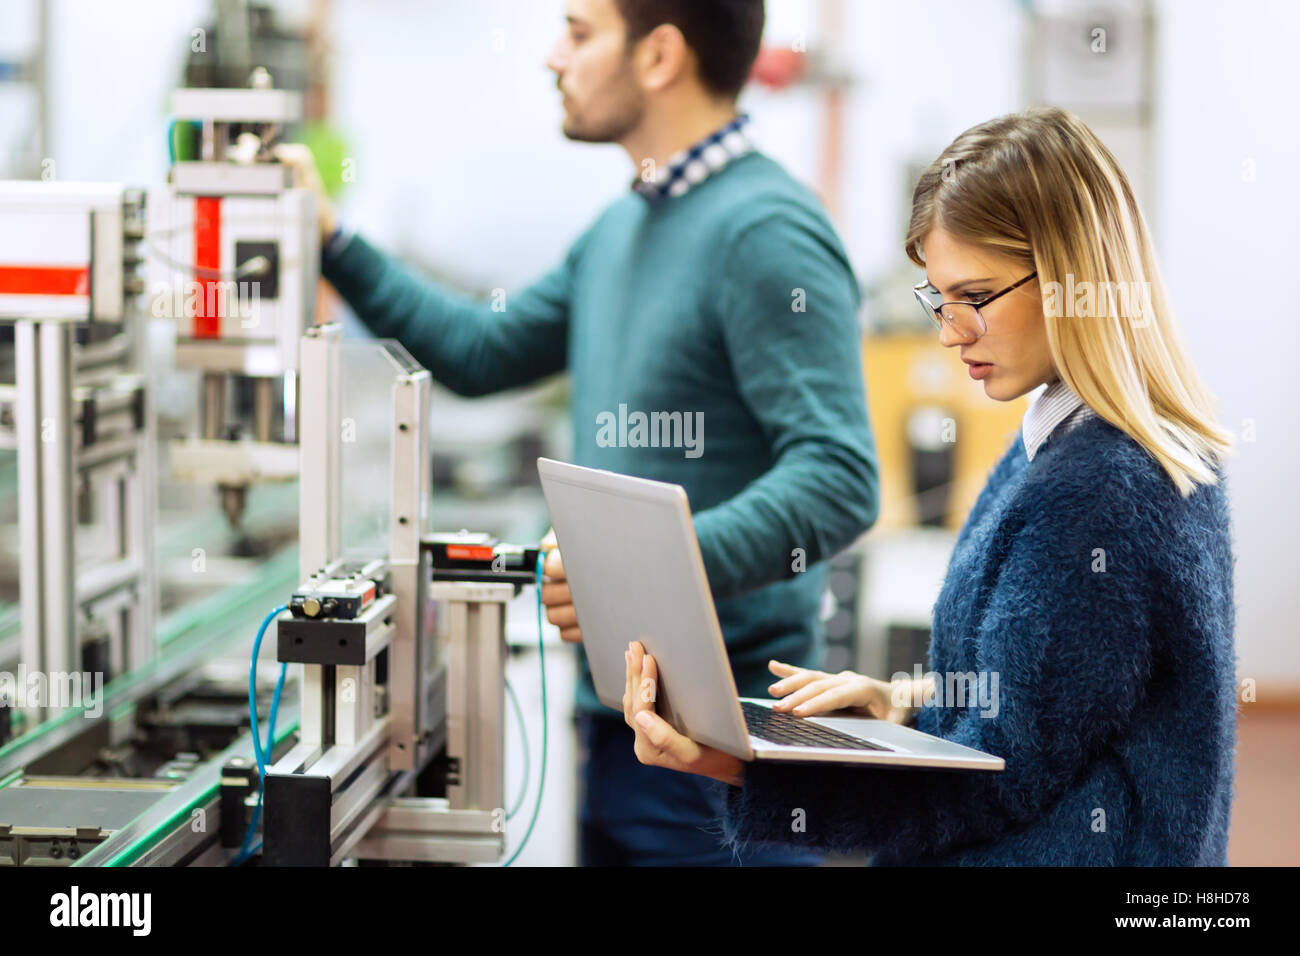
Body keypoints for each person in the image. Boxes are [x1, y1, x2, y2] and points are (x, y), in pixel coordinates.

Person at [277, 0, 879, 866]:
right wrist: (331, 236)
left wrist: (632, 571)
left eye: (580, 31)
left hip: (724, 758)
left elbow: (838, 475)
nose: (553, 57)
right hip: (619, 730)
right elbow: (482, 350)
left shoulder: (766, 231)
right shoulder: (623, 226)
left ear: (660, 55)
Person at [619, 106, 1238, 866]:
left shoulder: (1098, 492)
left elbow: (995, 784)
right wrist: (904, 706)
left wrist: (729, 763)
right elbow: (1049, 721)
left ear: (1073, 278)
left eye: (974, 297)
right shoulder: (1094, 447)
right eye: (937, 299)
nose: (950, 332)